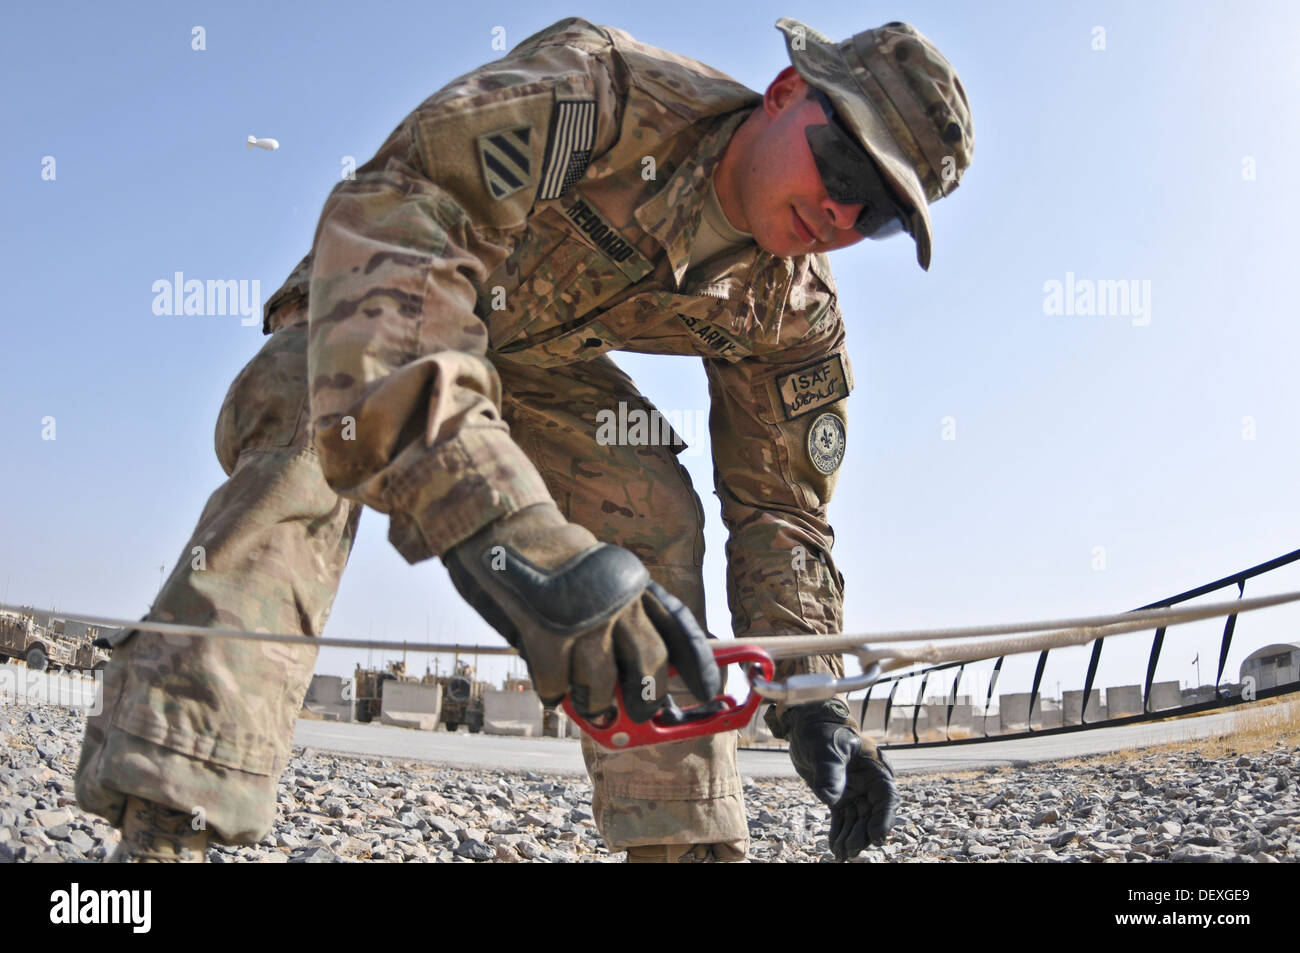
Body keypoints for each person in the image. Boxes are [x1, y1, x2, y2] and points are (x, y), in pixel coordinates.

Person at [75, 15, 973, 863]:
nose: (843, 217)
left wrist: (813, 696)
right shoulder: (605, 94)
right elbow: (401, 216)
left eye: (881, 216)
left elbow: (781, 503)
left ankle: (683, 841)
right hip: (384, 295)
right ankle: (172, 810)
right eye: (844, 168)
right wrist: (500, 532)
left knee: (651, 508)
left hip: (536, 369)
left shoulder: (793, 307)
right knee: (316, 441)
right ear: (784, 92)